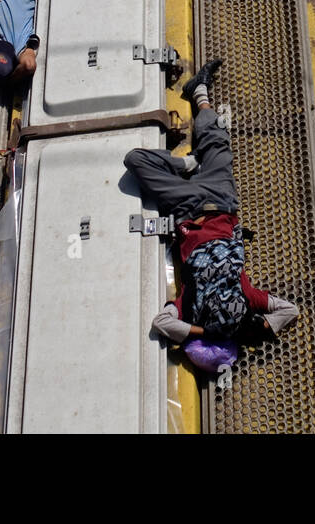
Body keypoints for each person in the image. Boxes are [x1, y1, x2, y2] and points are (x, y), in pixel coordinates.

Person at [123, 58, 299, 346]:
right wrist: (262, 329)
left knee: (136, 160)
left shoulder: (190, 306)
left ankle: (186, 165)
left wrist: (206, 334)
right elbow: (290, 310)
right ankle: (200, 91)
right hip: (222, 201)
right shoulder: (247, 295)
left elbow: (162, 322)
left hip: (187, 209)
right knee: (217, 141)